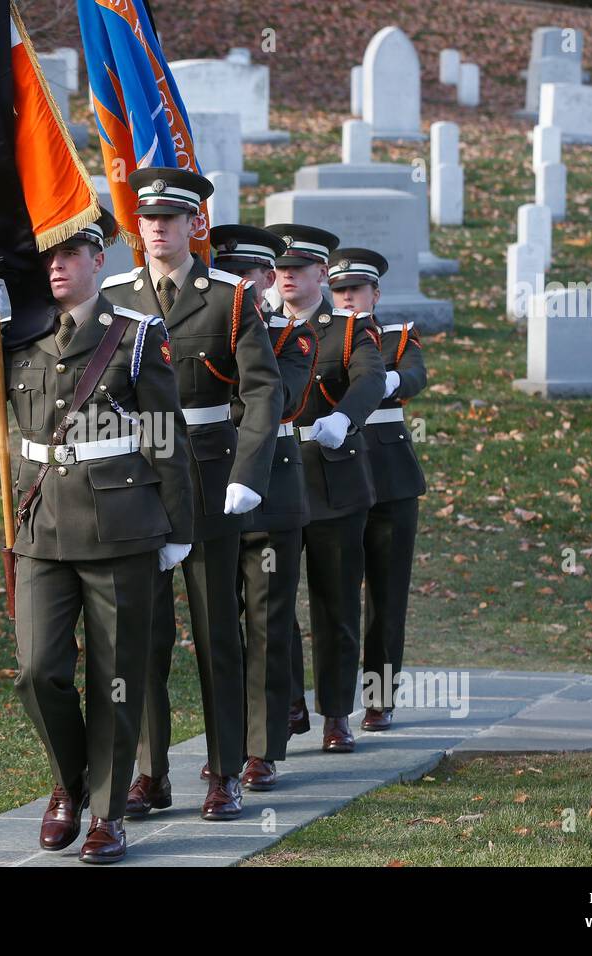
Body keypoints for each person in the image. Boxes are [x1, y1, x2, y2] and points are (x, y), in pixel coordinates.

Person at [0, 208, 193, 863]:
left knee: (116, 679)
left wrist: (180, 527)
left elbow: (167, 434)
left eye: (70, 254)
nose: (54, 266)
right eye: (46, 256)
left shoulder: (136, 335)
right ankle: (70, 782)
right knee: (37, 671)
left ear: (98, 260)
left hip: (123, 528)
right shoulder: (19, 330)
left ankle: (107, 815)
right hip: (39, 526)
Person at [104, 167, 283, 821]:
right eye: (148, 219)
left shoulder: (229, 297)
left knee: (216, 632)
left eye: (170, 219)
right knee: (143, 632)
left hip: (210, 477)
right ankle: (150, 773)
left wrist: (249, 472)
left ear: (192, 226)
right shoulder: (115, 296)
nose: (157, 228)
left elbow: (262, 390)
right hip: (141, 481)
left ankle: (226, 770)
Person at [211, 223, 317, 791]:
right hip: (210, 490)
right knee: (218, 626)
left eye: (249, 277)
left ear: (266, 280)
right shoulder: (204, 331)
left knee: (268, 621)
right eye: (229, 275)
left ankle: (261, 747)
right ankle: (228, 741)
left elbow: (283, 400)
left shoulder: (292, 337)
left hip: (272, 494)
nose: (240, 287)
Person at [279, 229, 386, 754]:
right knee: (269, 603)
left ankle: (337, 713)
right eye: (280, 266)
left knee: (336, 602)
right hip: (273, 476)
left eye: (299, 267)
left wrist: (346, 417)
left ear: (322, 274)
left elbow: (369, 378)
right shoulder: (256, 324)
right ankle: (287, 703)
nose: (287, 274)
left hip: (332, 477)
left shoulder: (347, 330)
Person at [333, 250, 427, 732]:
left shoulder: (395, 337)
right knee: (339, 596)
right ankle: (335, 706)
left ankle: (380, 697)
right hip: (337, 480)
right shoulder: (318, 339)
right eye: (339, 289)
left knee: (387, 596)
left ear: (375, 294)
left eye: (356, 289)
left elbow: (416, 375)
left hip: (390, 481)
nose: (347, 297)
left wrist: (389, 377)